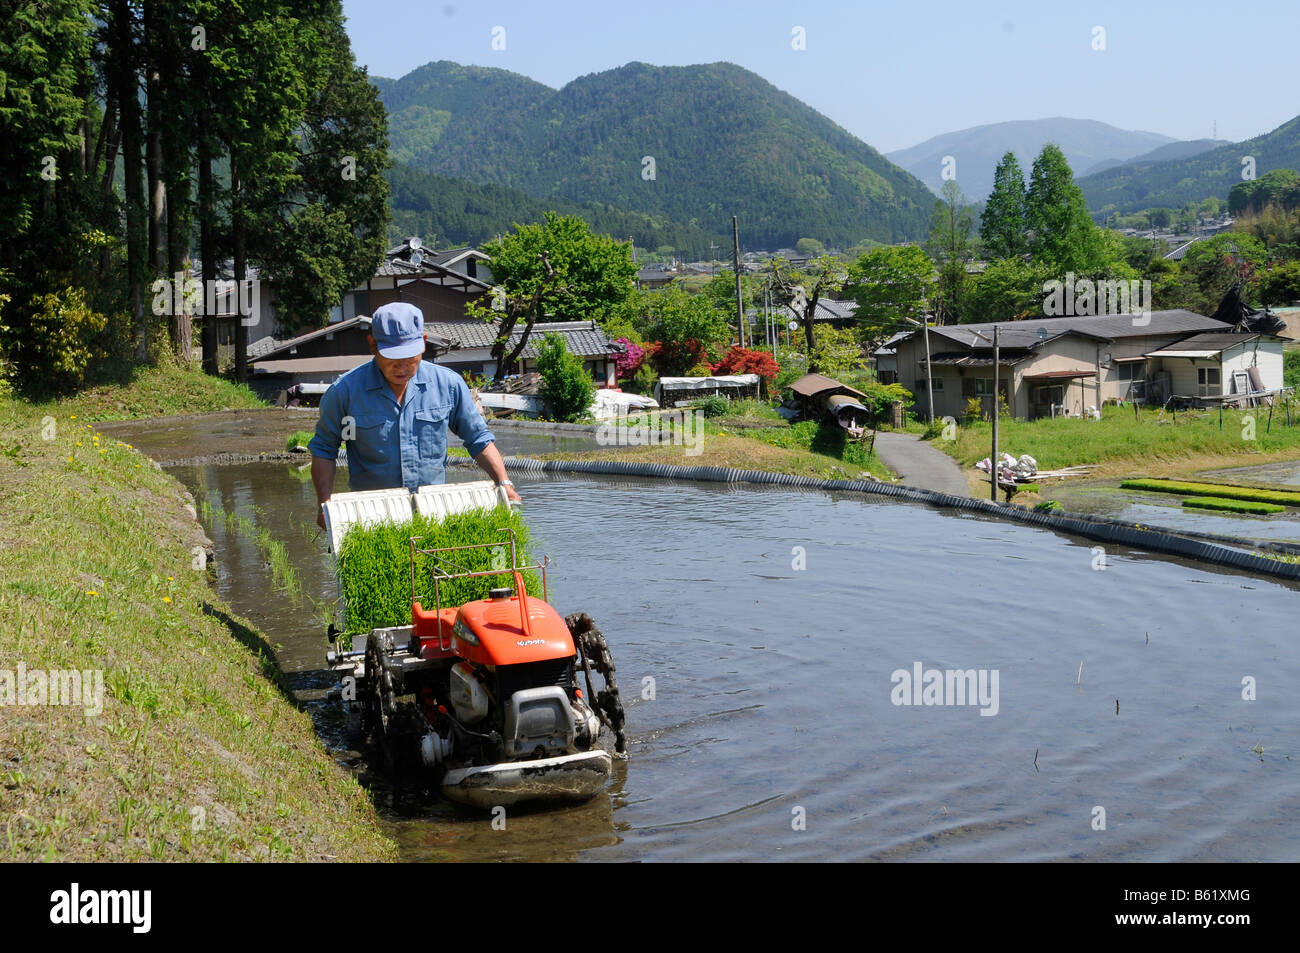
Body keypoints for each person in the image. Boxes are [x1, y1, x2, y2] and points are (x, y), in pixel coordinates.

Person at [308, 302, 521, 530]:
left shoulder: (447, 384)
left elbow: (478, 438)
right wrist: (324, 503)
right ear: (373, 345)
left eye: (411, 359)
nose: (403, 368)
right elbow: (324, 450)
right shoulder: (345, 392)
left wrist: (504, 482)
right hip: (372, 514)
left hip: (434, 512)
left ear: (423, 344)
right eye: (393, 360)